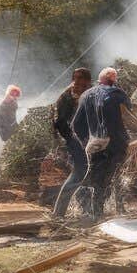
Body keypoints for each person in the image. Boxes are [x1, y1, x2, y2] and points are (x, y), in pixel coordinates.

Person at [72, 67, 132, 220]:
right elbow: (129, 116)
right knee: (118, 174)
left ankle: (96, 213)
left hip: (95, 144)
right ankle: (119, 208)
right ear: (113, 80)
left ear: (99, 80)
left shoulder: (86, 95)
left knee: (97, 178)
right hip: (117, 143)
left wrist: (87, 140)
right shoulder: (118, 94)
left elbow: (76, 124)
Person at [50, 67, 92, 221]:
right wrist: (72, 140)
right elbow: (60, 123)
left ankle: (86, 210)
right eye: (76, 78)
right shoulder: (66, 97)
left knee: (86, 173)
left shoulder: (89, 94)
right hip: (73, 142)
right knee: (79, 172)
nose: (78, 82)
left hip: (87, 140)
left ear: (88, 81)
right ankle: (59, 213)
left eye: (81, 79)